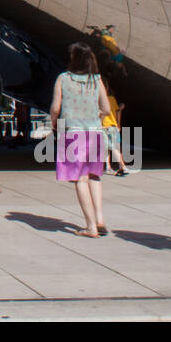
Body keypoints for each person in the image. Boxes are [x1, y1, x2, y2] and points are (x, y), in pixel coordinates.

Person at [50, 43, 112, 238]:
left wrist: (54, 124)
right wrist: (95, 116)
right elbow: (107, 109)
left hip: (73, 132)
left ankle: (90, 226)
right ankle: (100, 218)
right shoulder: (97, 80)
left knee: (80, 179)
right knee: (95, 176)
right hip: (95, 133)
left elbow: (55, 107)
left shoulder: (63, 79)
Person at [102, 90, 127, 176]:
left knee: (109, 148)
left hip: (104, 126)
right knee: (114, 147)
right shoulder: (112, 99)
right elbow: (117, 113)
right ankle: (118, 166)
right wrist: (118, 125)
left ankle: (117, 167)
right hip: (113, 126)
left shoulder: (100, 100)